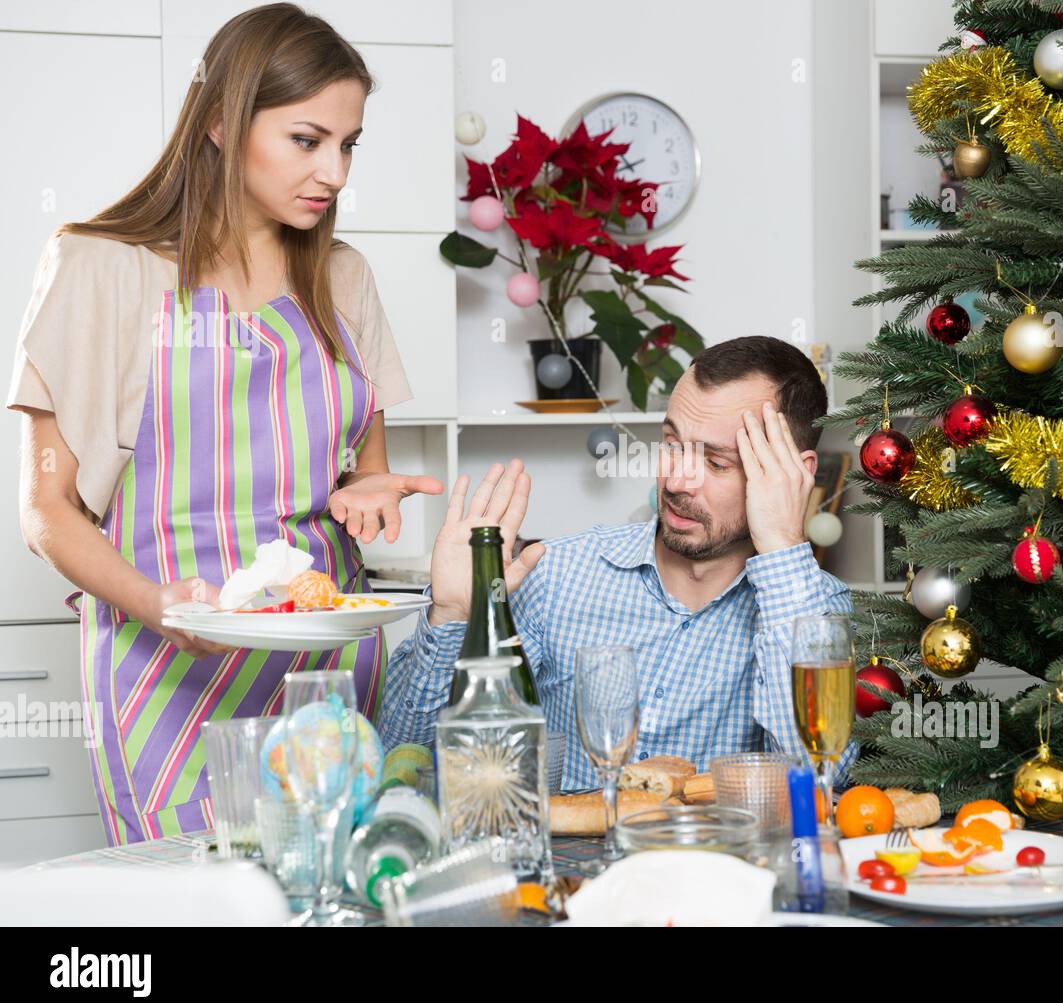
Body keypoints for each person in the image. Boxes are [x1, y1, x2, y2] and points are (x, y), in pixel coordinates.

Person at [7, 4, 441, 845]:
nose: (335, 172)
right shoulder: (102, 266)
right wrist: (156, 603)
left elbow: (365, 472)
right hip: (165, 659)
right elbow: (48, 510)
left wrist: (368, 494)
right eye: (307, 140)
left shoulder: (343, 279)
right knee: (200, 890)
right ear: (219, 123)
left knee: (330, 885)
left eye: (348, 145)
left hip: (325, 668)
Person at [380, 336, 859, 788]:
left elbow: (818, 780)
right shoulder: (554, 573)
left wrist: (781, 549)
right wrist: (452, 618)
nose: (677, 479)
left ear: (793, 473)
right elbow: (407, 758)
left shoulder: (815, 609)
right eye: (672, 444)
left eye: (716, 463)